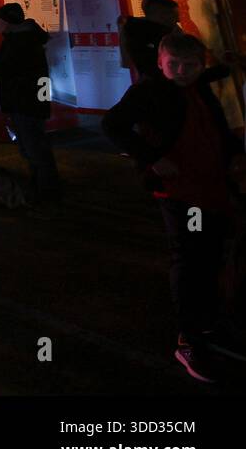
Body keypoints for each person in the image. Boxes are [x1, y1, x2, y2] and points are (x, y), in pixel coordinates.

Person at [102, 32, 246, 382]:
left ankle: (207, 325)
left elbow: (217, 128)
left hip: (210, 187)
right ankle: (189, 339)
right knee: (191, 260)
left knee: (210, 256)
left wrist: (233, 154)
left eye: (190, 65)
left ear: (200, 65)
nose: (182, 71)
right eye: (174, 65)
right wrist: (153, 157)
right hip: (180, 193)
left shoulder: (197, 87)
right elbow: (113, 124)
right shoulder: (149, 91)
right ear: (161, 63)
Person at [0, 2, 61, 203]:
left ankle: (46, 192)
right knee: (36, 146)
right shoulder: (31, 38)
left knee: (33, 149)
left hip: (23, 102)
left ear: (7, 22)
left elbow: (1, 67)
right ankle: (43, 188)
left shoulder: (17, 42)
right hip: (33, 101)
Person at [120, 0, 180, 81]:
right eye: (173, 15)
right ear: (161, 15)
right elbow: (128, 62)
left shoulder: (131, 28)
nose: (178, 20)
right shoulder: (135, 31)